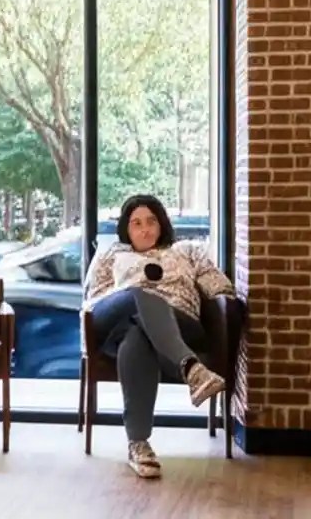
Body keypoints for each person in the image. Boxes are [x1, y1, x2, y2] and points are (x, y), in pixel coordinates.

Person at [84, 194, 234, 479]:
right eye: (136, 223)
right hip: (119, 319)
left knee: (138, 338)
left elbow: (221, 289)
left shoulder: (188, 250)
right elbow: (95, 300)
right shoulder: (111, 254)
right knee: (138, 299)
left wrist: (228, 306)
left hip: (182, 325)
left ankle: (138, 444)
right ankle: (192, 370)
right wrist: (135, 301)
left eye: (151, 221)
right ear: (126, 230)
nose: (145, 229)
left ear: (162, 223)